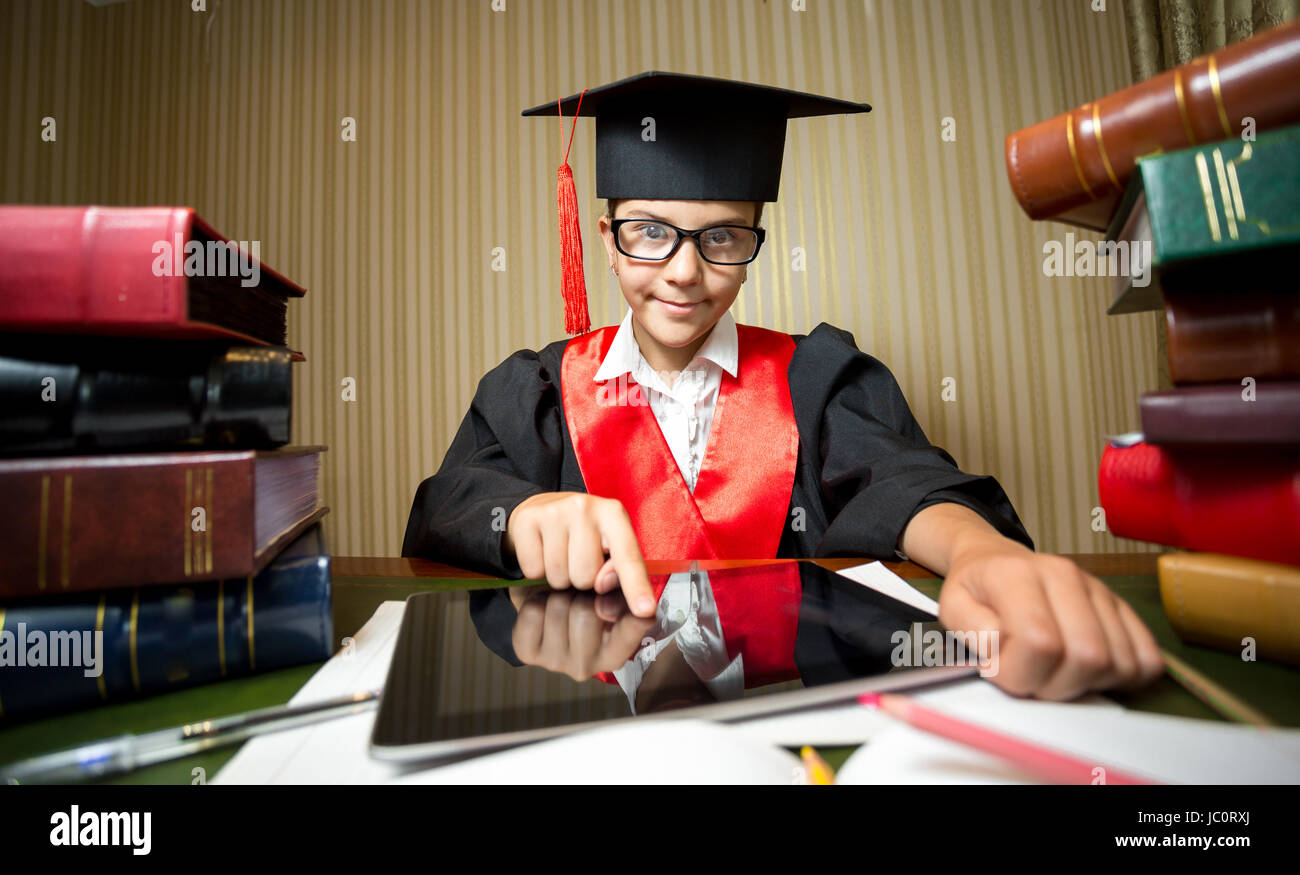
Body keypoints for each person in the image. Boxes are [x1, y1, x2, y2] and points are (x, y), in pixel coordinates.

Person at [403, 71, 1164, 702]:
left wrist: (979, 553)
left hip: (789, 719)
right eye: (648, 231)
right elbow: (450, 498)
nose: (682, 270)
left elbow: (900, 478)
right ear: (605, 240)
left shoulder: (816, 377)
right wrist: (524, 512)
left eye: (722, 238)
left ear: (756, 234)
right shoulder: (536, 386)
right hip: (586, 722)